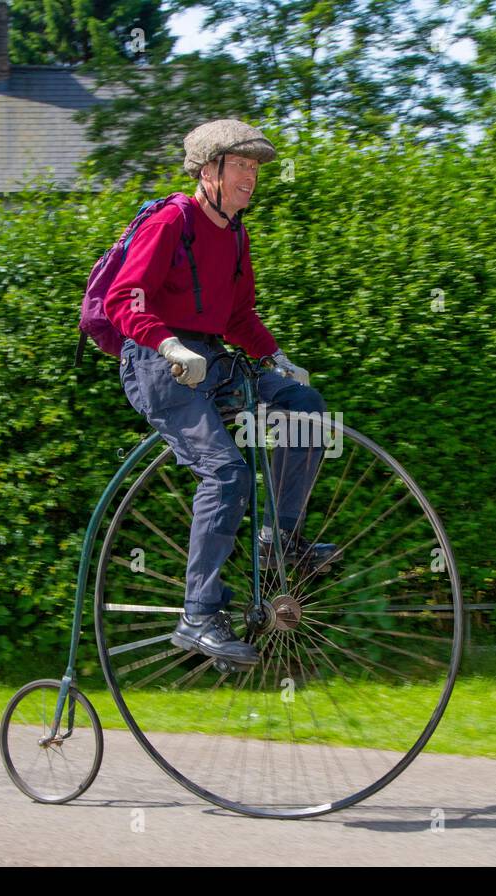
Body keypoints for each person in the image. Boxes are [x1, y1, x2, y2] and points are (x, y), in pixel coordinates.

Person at [105, 119, 338, 667]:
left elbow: (237, 315)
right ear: (207, 172)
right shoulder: (171, 221)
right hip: (156, 362)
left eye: (255, 169)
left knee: (305, 407)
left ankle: (279, 541)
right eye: (241, 167)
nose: (251, 179)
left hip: (210, 357)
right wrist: (166, 345)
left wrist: (277, 357)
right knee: (226, 470)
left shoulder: (235, 233)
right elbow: (124, 298)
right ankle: (198, 613)